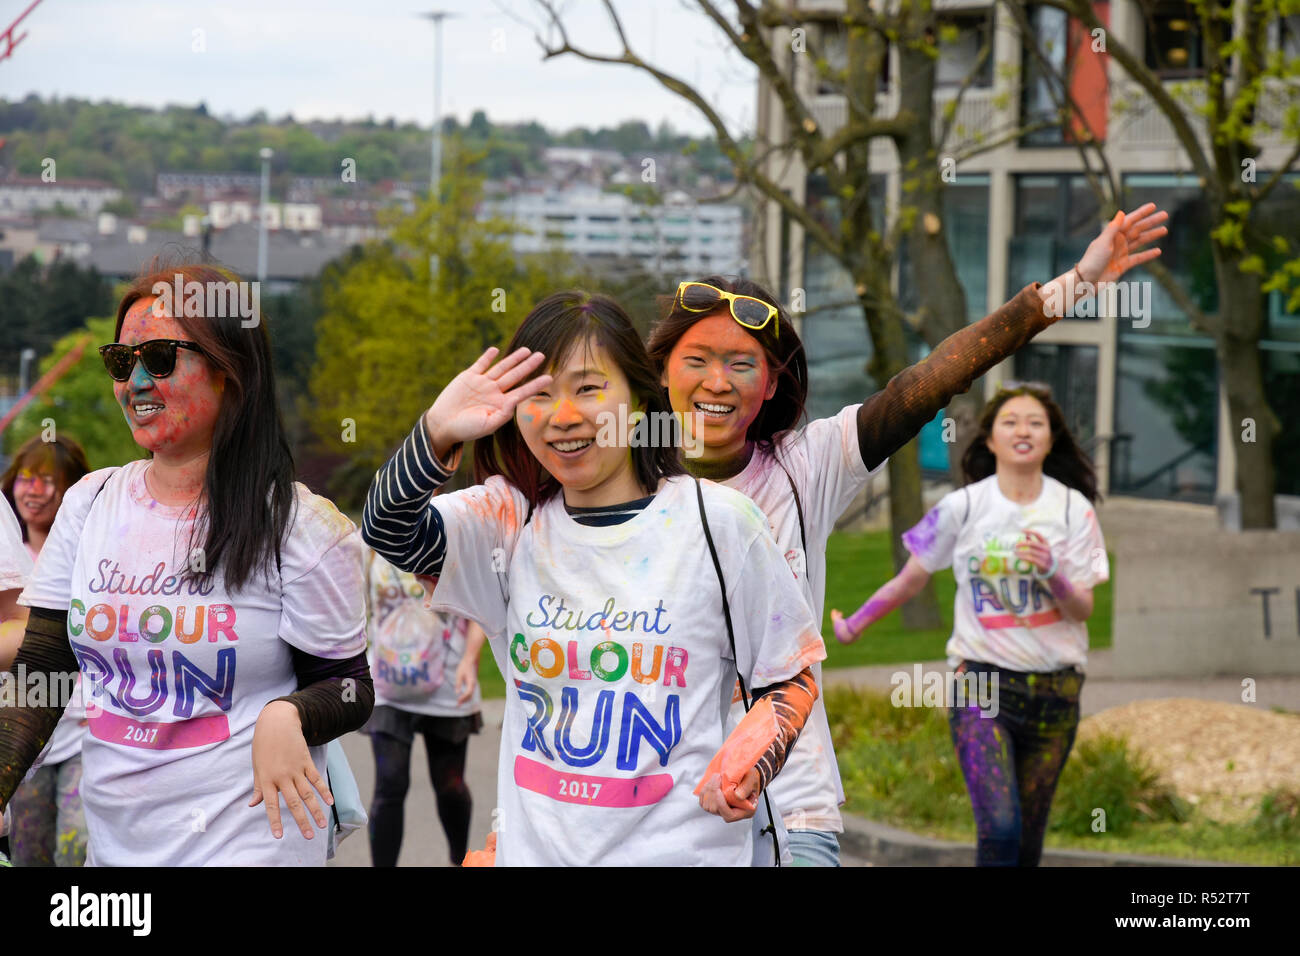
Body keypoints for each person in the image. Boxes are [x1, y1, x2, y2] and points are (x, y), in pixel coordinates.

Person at [646, 203, 1166, 866]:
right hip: (657, 805)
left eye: (742, 364)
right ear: (664, 370)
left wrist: (1076, 284)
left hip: (788, 806)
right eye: (697, 359)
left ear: (773, 381)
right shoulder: (624, 484)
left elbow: (937, 375)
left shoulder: (808, 466)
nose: (717, 383)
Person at [362, 291, 825, 866]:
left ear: (638, 398)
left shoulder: (721, 525)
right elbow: (387, 528)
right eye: (540, 394)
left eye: (587, 388)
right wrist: (436, 431)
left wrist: (757, 756)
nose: (564, 416)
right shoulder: (510, 521)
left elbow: (791, 674)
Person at [0, 258, 373, 866]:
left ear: (231, 372)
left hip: (252, 844)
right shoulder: (89, 503)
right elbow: (45, 665)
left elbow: (351, 687)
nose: (135, 383)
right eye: (122, 363)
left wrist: (292, 713)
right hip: (117, 851)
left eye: (162, 360)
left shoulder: (300, 525)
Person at [831, 383, 1107, 866]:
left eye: (1036, 423)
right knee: (999, 831)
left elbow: (1082, 608)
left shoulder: (1073, 510)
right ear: (990, 440)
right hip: (980, 686)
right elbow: (908, 581)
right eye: (1011, 422)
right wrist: (853, 625)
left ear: (1051, 439)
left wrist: (1051, 572)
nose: (1023, 430)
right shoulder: (963, 508)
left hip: (1055, 695)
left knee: (1025, 844)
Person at [363, 545, 485, 866]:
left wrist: (470, 661)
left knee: (450, 787)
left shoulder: (456, 529)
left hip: (448, 684)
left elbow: (483, 604)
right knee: (389, 784)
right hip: (388, 684)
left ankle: (460, 860)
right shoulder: (370, 542)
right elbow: (354, 605)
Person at [1, 434, 91, 866]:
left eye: (48, 480)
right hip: (24, 734)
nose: (33, 491)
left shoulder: (89, 554)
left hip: (84, 733)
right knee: (28, 852)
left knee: (75, 848)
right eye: (26, 478)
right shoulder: (11, 549)